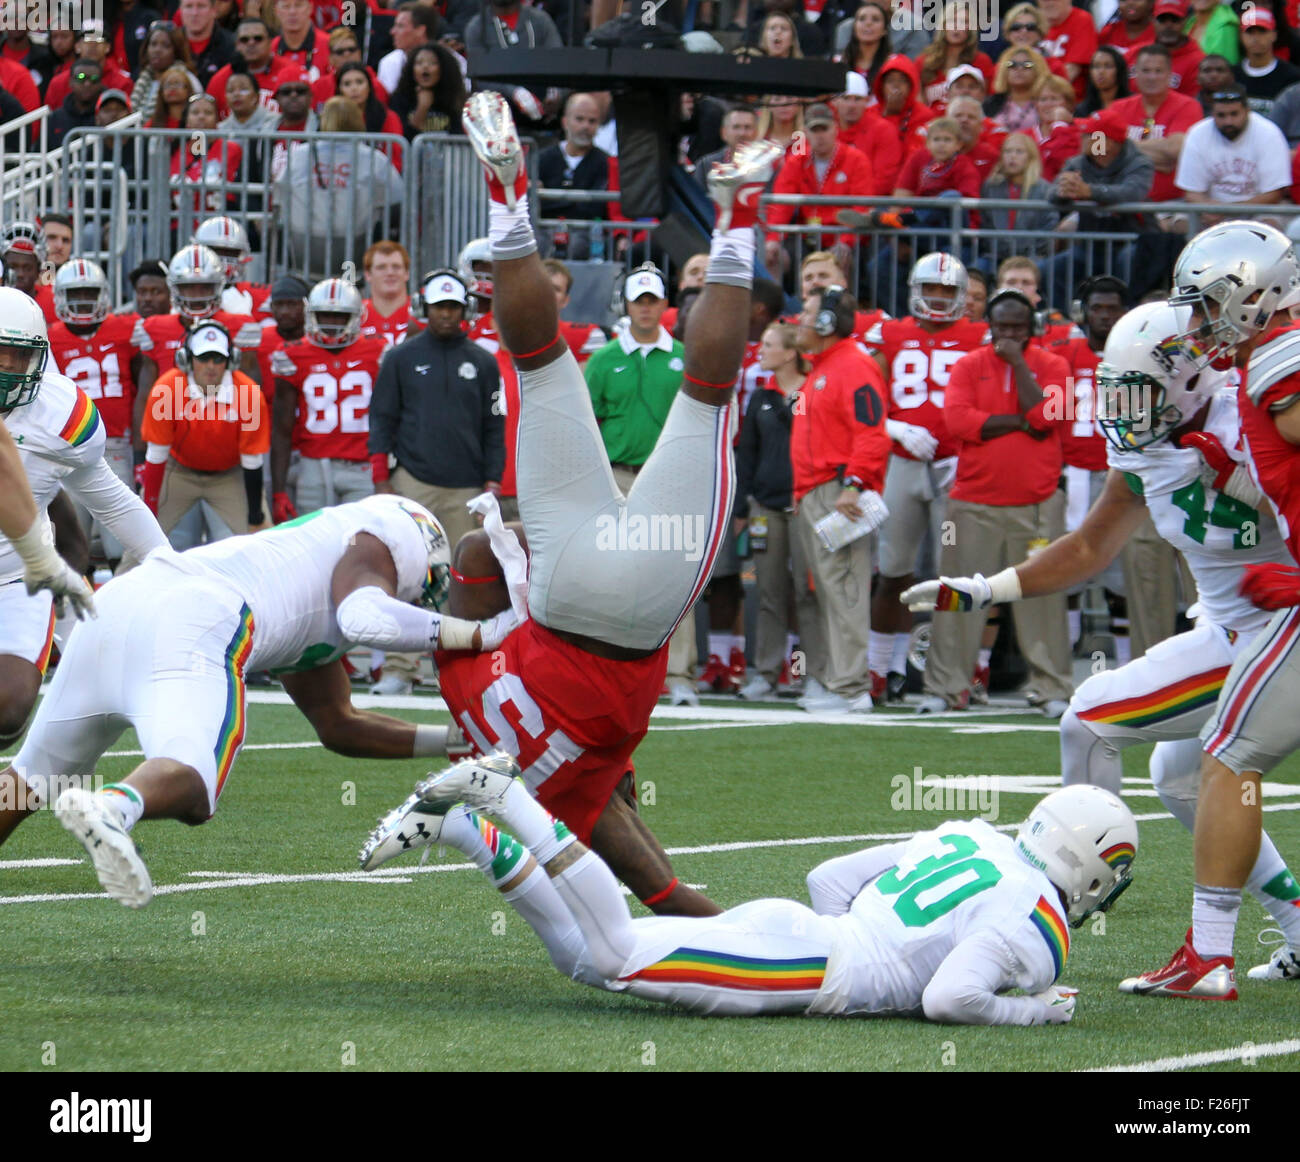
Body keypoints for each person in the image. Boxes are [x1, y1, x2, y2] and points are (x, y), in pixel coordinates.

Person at [364, 93, 785, 913]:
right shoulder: (466, 692)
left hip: (627, 621)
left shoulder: (556, 796)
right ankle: (509, 199)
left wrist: (713, 923)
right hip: (556, 581)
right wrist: (495, 603)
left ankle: (740, 217)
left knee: (707, 395)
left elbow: (648, 875)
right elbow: (480, 556)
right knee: (538, 359)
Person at [903, 291, 1300, 987]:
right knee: (1178, 776)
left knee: (1089, 719)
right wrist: (986, 589)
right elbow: (1090, 546)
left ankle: (1053, 901)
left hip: (1271, 626)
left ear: (1189, 376)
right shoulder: (1150, 447)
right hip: (1230, 625)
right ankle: (1294, 926)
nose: (1123, 404)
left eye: (1140, 387)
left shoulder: (1259, 415)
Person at [0, 490, 520, 905]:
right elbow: (362, 615)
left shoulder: (304, 582)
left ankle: (109, 804)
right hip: (196, 615)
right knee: (195, 783)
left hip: (119, 603)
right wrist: (481, 635)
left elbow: (341, 725)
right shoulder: (388, 535)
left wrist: (457, 743)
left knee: (30, 778)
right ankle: (114, 806)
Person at [369, 762, 1137, 1025]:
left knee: (587, 960)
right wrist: (1033, 1009)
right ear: (1093, 872)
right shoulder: (1039, 924)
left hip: (797, 931)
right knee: (619, 955)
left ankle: (469, 830)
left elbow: (827, 880)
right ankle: (511, 799)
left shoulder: (973, 835)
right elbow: (950, 1001)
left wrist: (860, 942)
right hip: (808, 969)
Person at [1115, 221, 1300, 995]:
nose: (1200, 323)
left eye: (1208, 304)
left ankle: (1209, 957)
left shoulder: (1277, 357)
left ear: (1255, 290)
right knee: (1209, 760)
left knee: (1228, 757)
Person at [0, 286, 167, 747]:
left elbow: (112, 501)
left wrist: (169, 562)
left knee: (10, 712)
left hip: (18, 578)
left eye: (17, 356)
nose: (7, 369)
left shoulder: (60, 416)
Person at [912, 289, 1073, 716]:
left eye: (1017, 328)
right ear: (990, 327)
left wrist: (1020, 365)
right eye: (1001, 327)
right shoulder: (968, 365)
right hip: (973, 500)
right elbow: (957, 422)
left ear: (1032, 328)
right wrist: (1022, 422)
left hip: (1038, 502)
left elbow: (1050, 417)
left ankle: (1051, 689)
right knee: (956, 597)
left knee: (1043, 598)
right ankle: (945, 688)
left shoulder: (1054, 365)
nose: (1008, 336)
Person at [368, 269, 504, 696]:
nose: (446, 315)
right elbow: (383, 417)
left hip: (466, 487)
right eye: (439, 307)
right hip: (413, 481)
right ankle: (399, 668)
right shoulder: (400, 357)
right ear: (425, 309)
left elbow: (494, 426)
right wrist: (381, 477)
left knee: (463, 583)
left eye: (453, 307)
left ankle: (462, 671)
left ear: (464, 311)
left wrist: (492, 481)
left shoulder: (483, 362)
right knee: (411, 575)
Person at [866, 254, 987, 704]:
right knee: (892, 571)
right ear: (915, 290)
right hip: (900, 463)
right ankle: (879, 670)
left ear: (962, 296)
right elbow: (862, 395)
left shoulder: (979, 336)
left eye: (947, 292)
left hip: (956, 468)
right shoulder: (891, 334)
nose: (937, 299)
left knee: (954, 575)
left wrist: (970, 446)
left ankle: (954, 675)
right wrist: (893, 427)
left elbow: (991, 395)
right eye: (930, 290)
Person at [788, 283, 890, 714]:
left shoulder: (851, 366)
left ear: (827, 324)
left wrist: (855, 484)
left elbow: (871, 431)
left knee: (845, 588)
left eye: (808, 314)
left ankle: (850, 687)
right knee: (832, 589)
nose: (800, 322)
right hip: (819, 490)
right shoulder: (826, 365)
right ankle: (841, 680)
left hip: (836, 491)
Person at [139, 320, 269, 550]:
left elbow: (252, 462)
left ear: (231, 361)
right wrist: (149, 508)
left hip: (230, 475)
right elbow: (156, 456)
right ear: (187, 360)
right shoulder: (166, 389)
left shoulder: (248, 393)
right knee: (140, 542)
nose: (211, 366)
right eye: (203, 358)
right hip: (178, 471)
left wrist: (256, 517)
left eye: (218, 359)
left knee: (260, 545)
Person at [46, 259, 140, 569]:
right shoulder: (49, 338)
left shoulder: (127, 330)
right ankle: (76, 610)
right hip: (66, 450)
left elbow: (142, 383)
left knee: (120, 543)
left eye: (90, 293)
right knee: (72, 541)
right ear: (60, 297)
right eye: (76, 294)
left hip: (115, 447)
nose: (84, 301)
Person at [270, 278, 386, 520]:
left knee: (358, 542)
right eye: (324, 315)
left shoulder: (379, 352)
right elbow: (282, 429)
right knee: (317, 543)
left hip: (362, 465)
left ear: (356, 317)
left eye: (339, 316)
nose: (331, 323)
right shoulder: (292, 354)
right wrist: (279, 491)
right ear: (311, 315)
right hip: (313, 465)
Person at [734, 322, 805, 701]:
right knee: (769, 593)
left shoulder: (809, 391)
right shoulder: (760, 396)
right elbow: (746, 453)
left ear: (791, 352)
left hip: (804, 503)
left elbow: (811, 433)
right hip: (765, 503)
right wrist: (743, 503)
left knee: (807, 594)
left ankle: (803, 673)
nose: (761, 350)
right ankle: (765, 672)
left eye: (769, 344)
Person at [273, 98, 404, 280]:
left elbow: (278, 196)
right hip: (353, 254)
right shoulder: (375, 160)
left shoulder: (299, 155)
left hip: (302, 252)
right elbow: (397, 201)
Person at [1174, 87, 1291, 222]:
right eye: (1221, 115)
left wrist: (1229, 211)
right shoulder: (1197, 133)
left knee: (1271, 223)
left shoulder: (1269, 133)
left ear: (1247, 112)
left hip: (1259, 209)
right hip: (1210, 209)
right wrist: (1209, 208)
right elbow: (1192, 193)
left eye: (1234, 114)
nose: (1228, 121)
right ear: (1212, 114)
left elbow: (1273, 194)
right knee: (1181, 223)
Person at [1107, 43, 1202, 204]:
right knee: (1067, 226)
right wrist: (1160, 155)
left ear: (1170, 75)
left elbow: (1175, 149)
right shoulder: (1116, 107)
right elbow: (1097, 148)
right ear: (1135, 73)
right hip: (1120, 200)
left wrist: (1119, 148)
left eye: (1158, 71)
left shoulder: (1188, 106)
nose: (1152, 77)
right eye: (1145, 71)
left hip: (1171, 203)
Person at [536, 92, 617, 260]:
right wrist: (573, 200)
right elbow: (535, 204)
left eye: (592, 121)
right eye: (579, 119)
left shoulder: (604, 162)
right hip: (544, 231)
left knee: (577, 246)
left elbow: (594, 208)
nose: (586, 126)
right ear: (565, 122)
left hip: (585, 234)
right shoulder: (543, 158)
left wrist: (551, 198)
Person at [979, 134, 1058, 260]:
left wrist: (1026, 254)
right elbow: (985, 225)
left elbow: (1048, 227)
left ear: (1030, 157)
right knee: (975, 270)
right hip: (994, 256)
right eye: (1008, 151)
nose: (1012, 156)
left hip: (1032, 258)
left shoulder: (1045, 189)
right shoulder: (991, 186)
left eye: (1019, 152)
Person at [205, 16, 296, 116]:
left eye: (258, 38)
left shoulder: (291, 72)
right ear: (237, 45)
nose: (251, 43)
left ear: (270, 42)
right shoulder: (219, 80)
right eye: (244, 40)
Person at [388, 42, 465, 139]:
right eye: (419, 63)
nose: (425, 66)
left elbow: (459, 136)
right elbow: (402, 139)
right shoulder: (399, 98)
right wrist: (422, 108)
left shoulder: (454, 98)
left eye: (433, 63)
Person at [1233, 6, 1300, 117]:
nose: (1256, 38)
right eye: (1250, 32)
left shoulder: (1292, 77)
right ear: (1241, 36)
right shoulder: (1232, 75)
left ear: (1274, 35)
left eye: (1262, 31)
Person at [1129, 0, 1203, 99]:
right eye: (1162, 20)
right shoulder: (1134, 53)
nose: (1168, 26)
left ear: (1186, 21)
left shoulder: (1198, 62)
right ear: (1152, 20)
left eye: (1175, 20)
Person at [360, 241, 423, 350]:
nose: (390, 273)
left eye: (396, 267)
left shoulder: (422, 312)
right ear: (368, 274)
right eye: (381, 267)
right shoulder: (355, 314)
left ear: (407, 273)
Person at [130, 21, 199, 117]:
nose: (157, 50)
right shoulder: (141, 78)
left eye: (165, 45)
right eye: (153, 44)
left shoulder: (188, 78)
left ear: (176, 51)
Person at [377, 1, 442, 94]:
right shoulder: (388, 63)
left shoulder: (452, 60)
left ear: (420, 30)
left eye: (400, 26)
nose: (392, 31)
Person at [986, 46, 1051, 133]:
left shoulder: (1048, 103)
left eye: (1027, 65)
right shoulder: (990, 104)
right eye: (1012, 65)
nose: (1019, 69)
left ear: (1038, 70)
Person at [177, 0, 235, 86]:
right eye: (189, 6)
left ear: (214, 10)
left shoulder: (232, 45)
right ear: (180, 11)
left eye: (201, 6)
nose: (194, 13)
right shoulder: (170, 44)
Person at [1079, 45, 1133, 114]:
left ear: (1119, 71)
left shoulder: (1133, 105)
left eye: (1108, 66)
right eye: (1096, 66)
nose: (1101, 71)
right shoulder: (1082, 110)